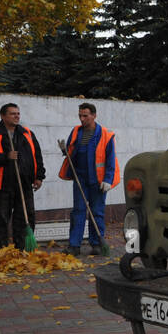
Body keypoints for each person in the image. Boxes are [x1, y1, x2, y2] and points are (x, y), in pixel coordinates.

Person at [0, 103, 46, 250]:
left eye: (18, 113)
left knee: (25, 218)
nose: (17, 116)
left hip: (25, 184)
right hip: (2, 185)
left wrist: (39, 176)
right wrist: (6, 157)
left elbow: (37, 156)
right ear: (3, 116)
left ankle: (23, 249)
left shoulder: (27, 133)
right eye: (13, 114)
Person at [58, 102, 119, 254]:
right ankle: (74, 246)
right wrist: (65, 151)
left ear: (94, 115)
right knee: (78, 211)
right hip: (80, 178)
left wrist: (108, 179)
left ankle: (97, 244)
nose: (82, 119)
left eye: (85, 116)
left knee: (97, 212)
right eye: (80, 116)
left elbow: (111, 159)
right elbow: (72, 152)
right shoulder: (76, 132)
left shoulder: (106, 135)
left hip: (98, 180)